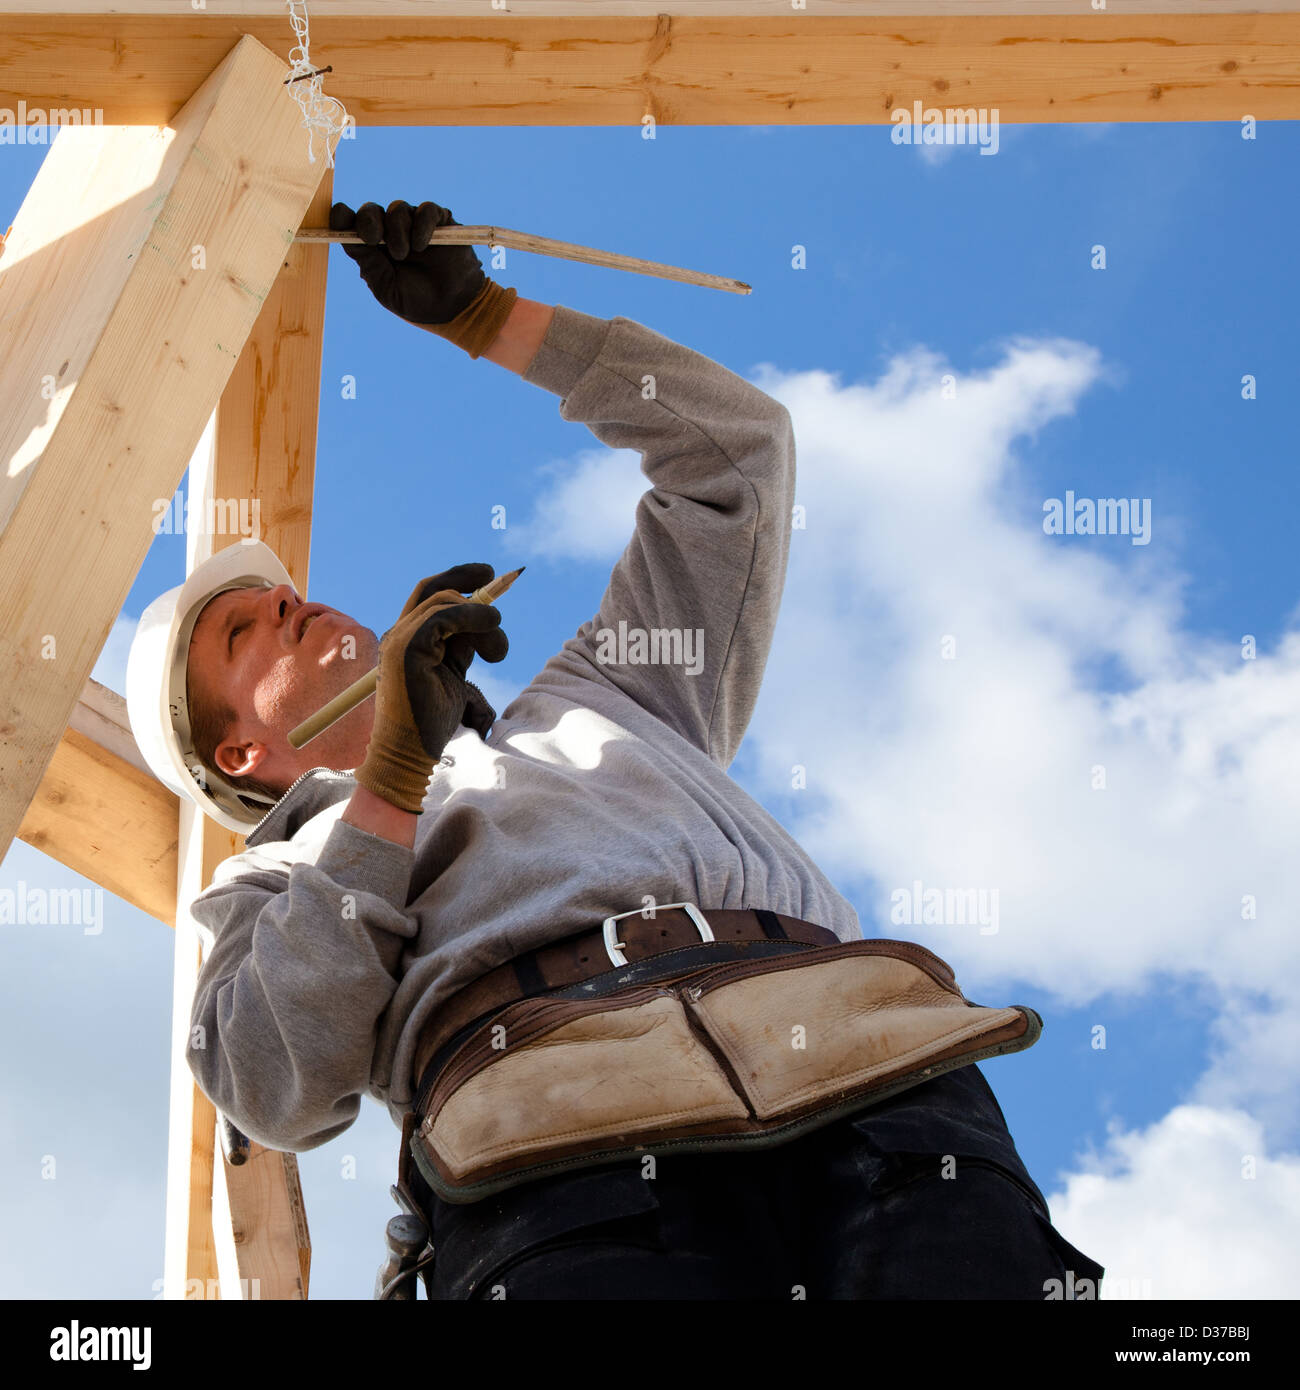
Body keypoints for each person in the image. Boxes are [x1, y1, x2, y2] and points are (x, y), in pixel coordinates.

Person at [125, 198, 1105, 1300]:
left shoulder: (608, 695)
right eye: (242, 629)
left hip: (863, 1070)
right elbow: (273, 1081)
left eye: (278, 588)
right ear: (244, 754)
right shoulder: (265, 881)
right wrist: (390, 783)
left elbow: (734, 456)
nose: (289, 598)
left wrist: (487, 316)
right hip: (558, 1142)